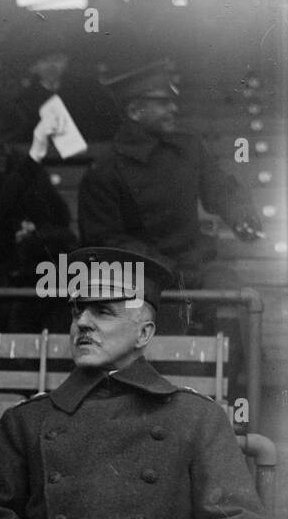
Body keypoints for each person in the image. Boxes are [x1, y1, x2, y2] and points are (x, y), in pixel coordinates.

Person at [0, 247, 264, 519]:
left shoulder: (196, 417)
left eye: (104, 311)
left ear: (144, 333)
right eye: (78, 310)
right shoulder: (27, 420)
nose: (83, 323)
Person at [78, 61, 263, 327]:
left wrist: (241, 215)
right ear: (135, 110)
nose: (173, 108)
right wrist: (160, 265)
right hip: (140, 275)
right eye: (163, 103)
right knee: (163, 327)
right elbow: (103, 238)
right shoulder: (104, 171)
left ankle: (237, 366)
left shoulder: (188, 148)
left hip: (196, 266)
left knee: (233, 307)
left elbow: (221, 189)